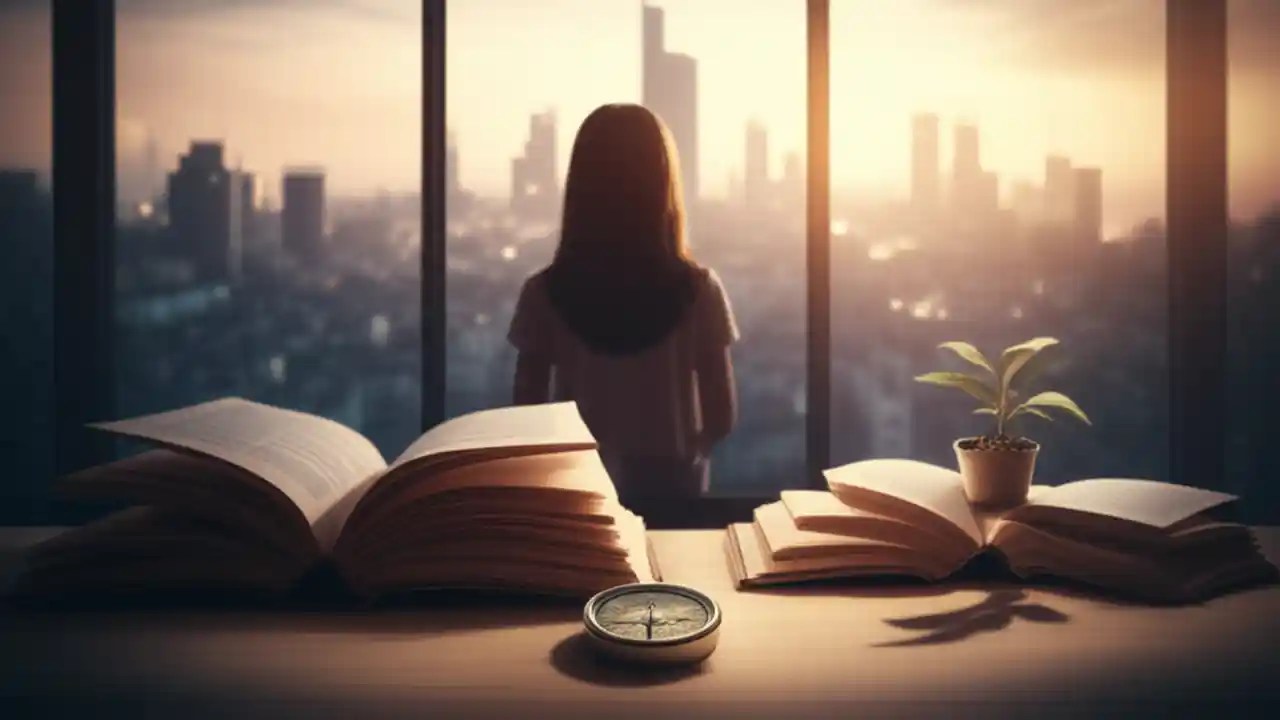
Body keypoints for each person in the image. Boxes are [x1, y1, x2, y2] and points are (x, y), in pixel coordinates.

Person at [508, 103, 738, 510]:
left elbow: (526, 414)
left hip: (580, 488)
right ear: (663, 182)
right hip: (674, 490)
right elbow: (722, 415)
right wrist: (688, 450)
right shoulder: (701, 292)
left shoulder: (543, 294)